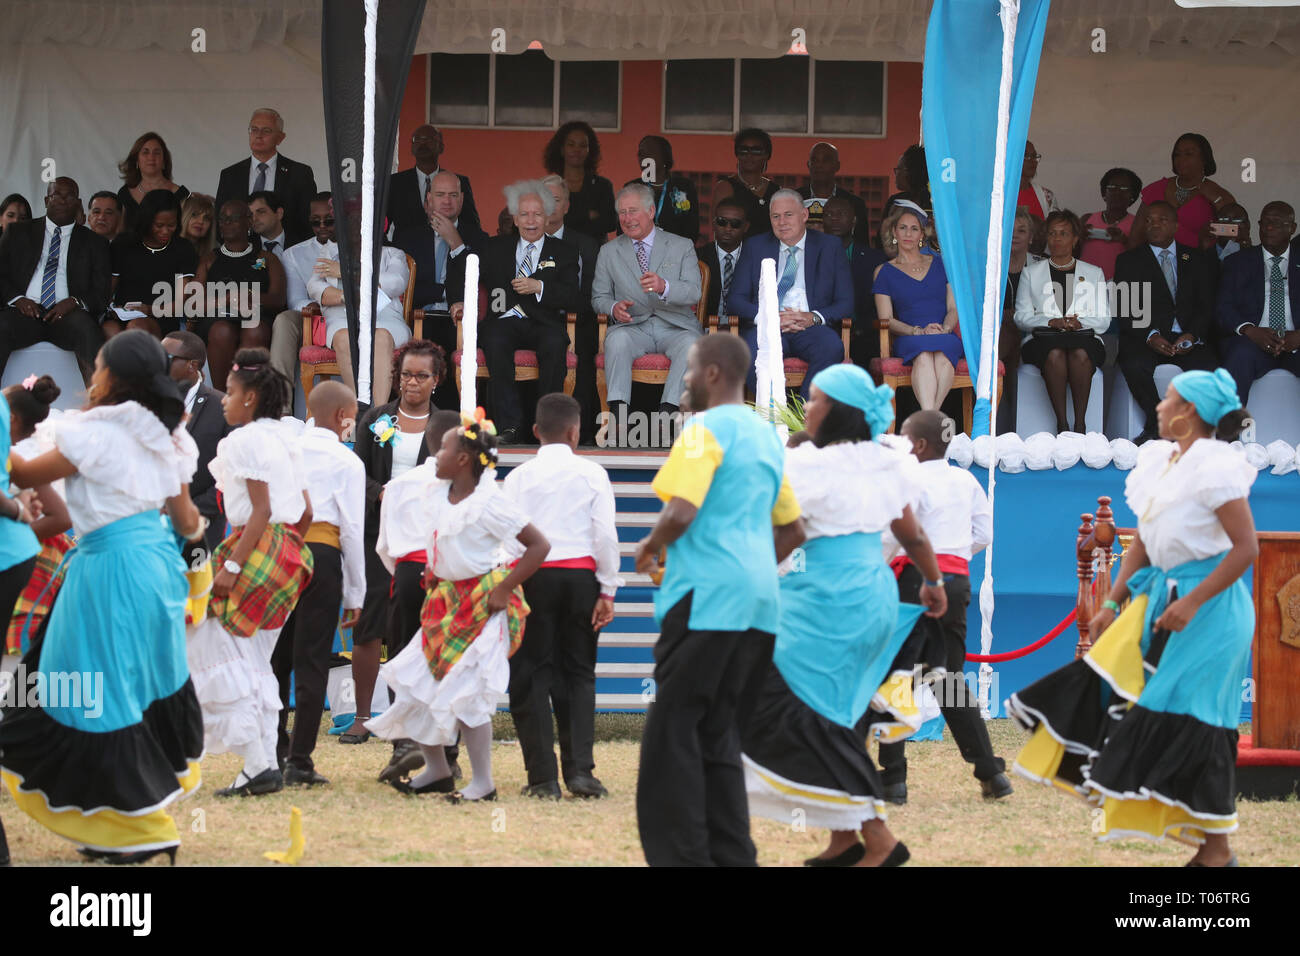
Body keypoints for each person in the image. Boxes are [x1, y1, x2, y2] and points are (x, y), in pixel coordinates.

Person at [1011, 369, 1257, 867]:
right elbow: (1142, 542)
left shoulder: (1215, 466)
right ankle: (1212, 851)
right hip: (1160, 601)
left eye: (1168, 400)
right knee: (1121, 692)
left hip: (1211, 609)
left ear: (1190, 413)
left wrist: (1192, 602)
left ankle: (1216, 851)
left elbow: (1245, 549)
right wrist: (1108, 602)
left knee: (1194, 715)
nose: (1160, 407)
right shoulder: (1163, 463)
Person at [1, 329, 206, 863]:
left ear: (111, 377)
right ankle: (108, 823)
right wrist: (198, 576)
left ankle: (144, 829)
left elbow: (19, 471)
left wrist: (5, 416)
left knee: (89, 693)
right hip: (157, 568)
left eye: (96, 366)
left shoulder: (92, 435)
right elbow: (187, 522)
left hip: (108, 571)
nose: (91, 375)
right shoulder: (168, 437)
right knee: (122, 688)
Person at [742, 367, 946, 867]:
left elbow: (785, 535)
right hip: (871, 597)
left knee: (803, 712)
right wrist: (934, 584)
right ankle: (844, 838)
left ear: (837, 411)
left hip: (823, 601)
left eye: (813, 399)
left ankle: (879, 840)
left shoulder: (808, 467)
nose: (806, 407)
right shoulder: (885, 462)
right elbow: (914, 536)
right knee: (838, 715)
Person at [633, 333, 806, 866]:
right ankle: (733, 856)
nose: (683, 379)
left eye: (688, 369)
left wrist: (651, 544)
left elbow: (683, 510)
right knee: (721, 735)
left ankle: (684, 857)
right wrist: (750, 559)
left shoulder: (702, 429)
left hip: (707, 599)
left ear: (711, 374)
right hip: (759, 605)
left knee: (674, 733)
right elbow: (793, 531)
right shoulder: (765, 436)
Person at [366, 409, 550, 803]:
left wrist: (506, 588)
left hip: (482, 602)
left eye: (444, 450)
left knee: (468, 690)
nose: (436, 457)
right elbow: (441, 539)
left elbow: (539, 546)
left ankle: (483, 782)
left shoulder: (488, 504)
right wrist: (434, 569)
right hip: (444, 599)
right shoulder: (439, 493)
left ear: (463, 460)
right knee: (418, 683)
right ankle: (437, 769)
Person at [188, 348, 314, 798]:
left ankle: (254, 760)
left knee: (220, 646)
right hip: (289, 551)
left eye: (233, 391)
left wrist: (235, 566)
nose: (223, 398)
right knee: (256, 658)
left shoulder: (242, 441)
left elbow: (258, 510)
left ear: (253, 397)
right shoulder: (286, 437)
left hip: (254, 548)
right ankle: (261, 766)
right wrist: (288, 551)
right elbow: (306, 511)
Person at [875, 410, 1012, 803]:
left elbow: (892, 536)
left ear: (917, 445)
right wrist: (953, 556)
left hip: (915, 580)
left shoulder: (907, 478)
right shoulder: (965, 479)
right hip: (957, 583)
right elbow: (983, 534)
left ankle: (893, 780)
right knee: (949, 678)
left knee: (896, 677)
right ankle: (990, 773)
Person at [503, 394, 621, 798]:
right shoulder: (593, 473)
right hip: (580, 580)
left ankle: (542, 779)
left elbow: (508, 538)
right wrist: (607, 588)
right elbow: (605, 535)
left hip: (531, 577)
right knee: (579, 674)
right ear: (576, 432)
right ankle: (581, 773)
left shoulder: (518, 477)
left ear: (536, 431)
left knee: (530, 675)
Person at [346, 340, 447, 744]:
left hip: (422, 539)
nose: (412, 383)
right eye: (406, 374)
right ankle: (362, 715)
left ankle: (406, 716)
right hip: (377, 535)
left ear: (436, 380)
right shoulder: (376, 419)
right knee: (370, 626)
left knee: (409, 627)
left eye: (421, 376)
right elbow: (357, 472)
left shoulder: (446, 425)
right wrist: (380, 494)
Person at [272, 381, 365, 787]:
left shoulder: (283, 450)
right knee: (311, 660)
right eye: (352, 420)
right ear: (342, 416)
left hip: (277, 554)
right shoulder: (347, 462)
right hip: (322, 556)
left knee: (273, 660)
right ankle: (300, 761)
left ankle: (271, 751)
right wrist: (355, 594)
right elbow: (352, 532)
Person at [372, 408, 461, 783]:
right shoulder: (463, 486)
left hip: (408, 572)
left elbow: (384, 547)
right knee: (447, 663)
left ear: (427, 438)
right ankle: (450, 752)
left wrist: (406, 577)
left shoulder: (399, 485)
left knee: (405, 661)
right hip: (450, 575)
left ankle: (404, 744)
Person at [456, 180, 579, 443]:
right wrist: (460, 300)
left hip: (544, 322)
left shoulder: (564, 252)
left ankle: (548, 427)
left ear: (547, 217)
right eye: (524, 214)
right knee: (494, 340)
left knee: (555, 344)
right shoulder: (495, 247)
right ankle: (509, 426)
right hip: (505, 321)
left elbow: (574, 297)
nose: (531, 220)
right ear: (515, 217)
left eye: (537, 214)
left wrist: (539, 286)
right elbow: (466, 273)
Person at [592, 183, 702, 429]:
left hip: (675, 326)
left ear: (651, 211)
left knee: (692, 345)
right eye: (622, 212)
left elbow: (694, 291)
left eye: (633, 211)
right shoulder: (608, 252)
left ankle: (668, 414)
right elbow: (598, 297)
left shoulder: (680, 245)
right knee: (616, 340)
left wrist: (664, 286)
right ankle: (619, 416)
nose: (627, 218)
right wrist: (613, 307)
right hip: (634, 326)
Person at [729, 189, 853, 398]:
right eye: (775, 216)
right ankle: (776, 415)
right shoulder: (755, 246)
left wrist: (813, 317)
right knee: (749, 354)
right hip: (768, 327)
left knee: (832, 347)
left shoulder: (829, 246)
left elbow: (846, 302)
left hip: (810, 325)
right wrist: (769, 317)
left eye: (789, 215)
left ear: (804, 215)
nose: (782, 222)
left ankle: (800, 415)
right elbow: (735, 300)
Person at [1116, 201, 1218, 444]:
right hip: (1147, 337)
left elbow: (1206, 306)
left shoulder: (1196, 258)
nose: (1153, 224)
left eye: (1162, 219)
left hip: (1186, 337)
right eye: (1149, 220)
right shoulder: (1129, 260)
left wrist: (1192, 335)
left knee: (1211, 370)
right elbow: (1125, 307)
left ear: (1175, 225)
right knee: (1133, 364)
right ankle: (1157, 422)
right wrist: (1150, 335)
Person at [0, 177, 109, 383]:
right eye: (56, 195)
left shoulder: (95, 242)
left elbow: (101, 292)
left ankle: (103, 404)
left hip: (68, 316)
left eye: (69, 197)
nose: (62, 200)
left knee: (88, 332)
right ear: (45, 200)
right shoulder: (18, 232)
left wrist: (74, 302)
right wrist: (18, 299)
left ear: (78, 202)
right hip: (23, 312)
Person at [395, 170, 488, 412]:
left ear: (462, 199)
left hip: (459, 321)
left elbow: (479, 284)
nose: (447, 201)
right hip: (419, 317)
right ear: (428, 201)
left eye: (452, 195)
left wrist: (456, 244)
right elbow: (407, 290)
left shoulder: (478, 238)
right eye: (440, 195)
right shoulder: (407, 238)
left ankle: (453, 418)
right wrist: (445, 293)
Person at [1013, 210, 1110, 434]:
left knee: (1080, 355)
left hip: (1083, 337)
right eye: (1052, 233)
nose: (1057, 239)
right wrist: (1051, 322)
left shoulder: (1093, 273)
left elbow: (1104, 320)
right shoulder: (1031, 273)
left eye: (1064, 234)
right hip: (1042, 339)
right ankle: (1062, 424)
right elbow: (1021, 316)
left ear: (1075, 239)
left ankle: (1080, 424)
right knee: (1055, 354)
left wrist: (1079, 323)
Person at [306, 216, 410, 405]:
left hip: (385, 317)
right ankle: (358, 410)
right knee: (344, 336)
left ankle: (378, 414)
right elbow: (315, 288)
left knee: (381, 337)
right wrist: (350, 297)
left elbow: (396, 283)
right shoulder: (330, 252)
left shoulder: (392, 254)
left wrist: (346, 272)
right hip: (340, 318)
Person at [4, 376, 73, 657]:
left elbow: (61, 517)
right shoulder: (13, 453)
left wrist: (18, 520)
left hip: (17, 556)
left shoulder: (19, 456)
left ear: (10, 419)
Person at [873, 202, 962, 412]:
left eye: (914, 229)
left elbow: (953, 309)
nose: (908, 234)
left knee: (942, 352)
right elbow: (886, 319)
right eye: (902, 227)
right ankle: (933, 418)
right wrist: (917, 331)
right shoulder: (883, 272)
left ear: (922, 234)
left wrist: (945, 328)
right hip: (910, 336)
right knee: (923, 355)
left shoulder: (941, 264)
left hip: (943, 332)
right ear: (894, 231)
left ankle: (928, 418)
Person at [192, 199, 285, 389]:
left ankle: (246, 397)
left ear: (249, 222)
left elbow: (279, 299)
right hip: (217, 319)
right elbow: (192, 303)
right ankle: (223, 399)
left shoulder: (266, 258)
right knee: (222, 331)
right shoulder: (209, 259)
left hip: (256, 315)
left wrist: (250, 298)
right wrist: (225, 300)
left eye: (233, 218)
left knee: (256, 328)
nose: (226, 223)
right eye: (222, 219)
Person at [1215, 201, 1299, 405]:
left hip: (1296, 340)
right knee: (1239, 355)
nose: (1269, 228)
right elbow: (1222, 307)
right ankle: (1228, 432)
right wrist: (1250, 331)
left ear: (1293, 228)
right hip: (1253, 341)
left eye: (1277, 223)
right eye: (1265, 223)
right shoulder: (1237, 262)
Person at [541, 174, 601, 441]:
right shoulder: (523, 241)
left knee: (588, 351)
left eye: (555, 200)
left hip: (578, 320)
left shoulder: (586, 245)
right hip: (536, 321)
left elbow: (591, 294)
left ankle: (584, 433)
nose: (549, 206)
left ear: (566, 206)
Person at [162, 330, 228, 558]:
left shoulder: (223, 407)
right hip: (149, 525)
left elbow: (228, 477)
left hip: (201, 527)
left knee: (195, 591)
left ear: (192, 365)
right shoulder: (144, 404)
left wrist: (184, 512)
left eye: (166, 358)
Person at [214, 108, 318, 245]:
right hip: (242, 253)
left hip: (287, 253)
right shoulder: (230, 174)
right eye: (254, 129)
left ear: (280, 138)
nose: (258, 135)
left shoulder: (299, 173)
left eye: (266, 131)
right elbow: (220, 220)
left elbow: (307, 220)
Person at [105, 188, 198, 338]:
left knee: (137, 327)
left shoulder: (183, 248)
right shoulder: (123, 244)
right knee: (109, 329)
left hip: (160, 317)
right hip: (123, 316)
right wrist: (111, 308)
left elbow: (182, 301)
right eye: (159, 225)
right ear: (146, 221)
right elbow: (109, 288)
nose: (165, 231)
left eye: (171, 225)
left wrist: (149, 309)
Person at [270, 191, 335, 383]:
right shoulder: (293, 254)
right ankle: (279, 404)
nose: (322, 226)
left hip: (347, 315)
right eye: (316, 221)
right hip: (312, 318)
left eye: (329, 220)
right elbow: (295, 300)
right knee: (284, 320)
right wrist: (318, 306)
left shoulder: (357, 248)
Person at [1129, 133, 1234, 250]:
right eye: (1177, 154)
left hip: (1199, 263)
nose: (1181, 159)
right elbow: (1135, 238)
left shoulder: (1218, 193)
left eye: (1189, 154)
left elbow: (1234, 233)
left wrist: (1217, 201)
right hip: (1155, 263)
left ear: (1204, 158)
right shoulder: (1156, 189)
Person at [386, 124, 480, 248]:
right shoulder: (395, 183)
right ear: (412, 147)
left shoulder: (458, 182)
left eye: (429, 139)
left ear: (441, 147)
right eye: (417, 139)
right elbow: (382, 225)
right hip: (405, 256)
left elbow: (471, 224)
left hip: (445, 254)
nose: (422, 144)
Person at [824, 193, 888, 369]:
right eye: (829, 214)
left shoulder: (874, 259)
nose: (835, 218)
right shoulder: (810, 256)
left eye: (841, 214)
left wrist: (859, 329)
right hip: (822, 331)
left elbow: (881, 305)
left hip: (864, 333)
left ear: (854, 221)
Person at [999, 209, 1041, 434]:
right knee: (1004, 335)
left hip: (1033, 332)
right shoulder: (991, 265)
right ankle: (1001, 427)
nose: (1015, 235)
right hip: (1001, 332)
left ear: (1031, 237)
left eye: (1022, 231)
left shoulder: (1042, 266)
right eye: (1010, 230)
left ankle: (1015, 427)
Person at [544, 121, 616, 242]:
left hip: (594, 255)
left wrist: (568, 217)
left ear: (589, 150)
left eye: (583, 145)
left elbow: (610, 223)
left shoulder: (602, 185)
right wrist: (588, 215)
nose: (577, 150)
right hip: (558, 252)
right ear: (561, 149)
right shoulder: (550, 186)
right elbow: (546, 221)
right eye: (571, 144)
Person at [624, 134, 699, 244]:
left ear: (664, 156)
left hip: (675, 254)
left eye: (649, 152)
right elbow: (623, 230)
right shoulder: (631, 189)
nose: (643, 157)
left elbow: (692, 230)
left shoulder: (684, 187)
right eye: (640, 153)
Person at [116, 131, 189, 235]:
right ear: (136, 160)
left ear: (164, 161)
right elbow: (119, 234)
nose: (151, 157)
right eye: (145, 152)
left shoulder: (181, 194)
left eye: (157, 152)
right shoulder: (124, 193)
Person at [798, 141, 871, 243]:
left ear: (837, 166)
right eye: (815, 160)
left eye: (826, 160)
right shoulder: (794, 199)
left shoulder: (854, 203)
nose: (819, 165)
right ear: (808, 165)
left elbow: (862, 246)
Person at [712, 128, 779, 238]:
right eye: (743, 150)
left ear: (767, 155)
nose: (749, 155)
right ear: (737, 154)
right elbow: (719, 230)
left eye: (756, 150)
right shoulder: (725, 187)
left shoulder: (777, 190)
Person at [1080, 167, 1142, 280]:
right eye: (1112, 187)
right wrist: (1078, 237)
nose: (1117, 192)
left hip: (1120, 286)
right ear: (1104, 192)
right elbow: (1069, 253)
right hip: (1085, 283)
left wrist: (1124, 240)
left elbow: (1143, 258)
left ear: (1133, 196)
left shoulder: (1137, 223)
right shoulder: (1087, 219)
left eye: (1124, 188)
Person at [698, 197, 748, 324]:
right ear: (714, 224)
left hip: (745, 327)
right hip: (704, 326)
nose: (728, 228)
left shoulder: (755, 258)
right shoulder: (697, 257)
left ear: (746, 227)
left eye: (735, 223)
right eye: (722, 222)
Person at [1016, 140, 1060, 225]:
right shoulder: (998, 194)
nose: (1032, 161)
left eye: (1034, 156)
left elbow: (1055, 228)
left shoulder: (1046, 196)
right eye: (1025, 155)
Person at [885, 145, 932, 222]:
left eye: (898, 169)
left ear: (909, 172)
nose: (896, 174)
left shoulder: (897, 202)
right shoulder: (936, 200)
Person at [248, 190, 290, 258]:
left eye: (261, 212)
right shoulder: (246, 247)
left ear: (279, 213)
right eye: (250, 215)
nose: (254, 219)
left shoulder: (301, 243)